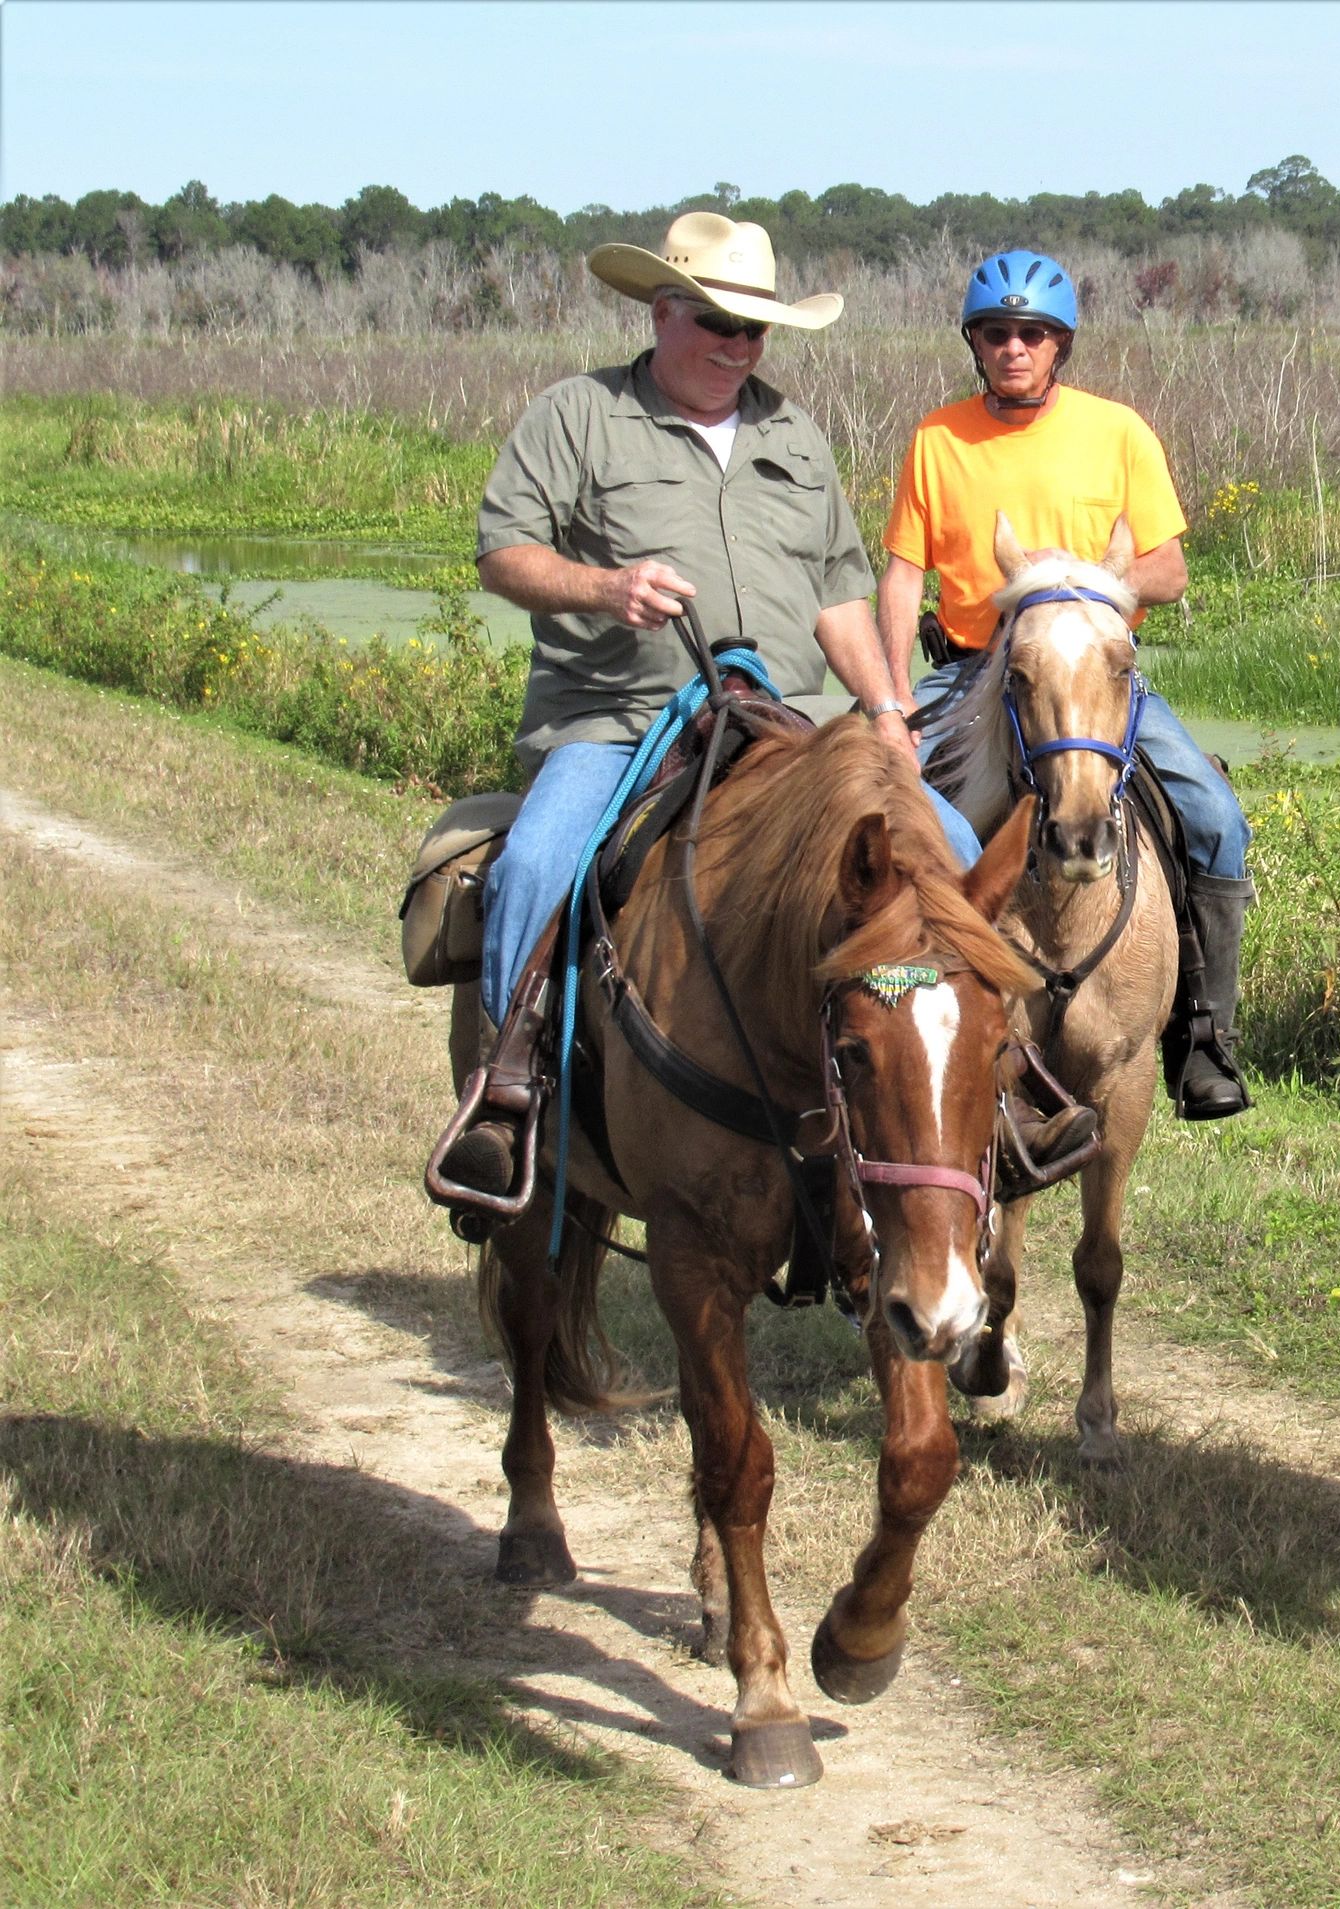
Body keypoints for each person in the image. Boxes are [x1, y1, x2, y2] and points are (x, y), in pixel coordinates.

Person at [432, 211, 997, 1209]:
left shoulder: (792, 435)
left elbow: (835, 595)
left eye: (754, 330)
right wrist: (604, 589)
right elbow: (502, 553)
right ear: (662, 313)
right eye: (715, 323)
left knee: (949, 852)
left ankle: (993, 1099)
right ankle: (509, 1091)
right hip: (617, 721)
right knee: (534, 864)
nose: (737, 347)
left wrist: (884, 712)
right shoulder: (581, 415)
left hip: (772, 725)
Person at [877, 250, 1254, 1120]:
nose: (1016, 347)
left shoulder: (1117, 432)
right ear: (975, 342)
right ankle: (889, 1025)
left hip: (1093, 668)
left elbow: (1168, 566)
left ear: (1061, 345)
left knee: (1214, 817)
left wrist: (1079, 587)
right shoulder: (938, 438)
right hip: (981, 670)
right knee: (884, 821)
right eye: (999, 333)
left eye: (1034, 334)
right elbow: (901, 577)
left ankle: (1204, 1034)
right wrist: (892, 700)